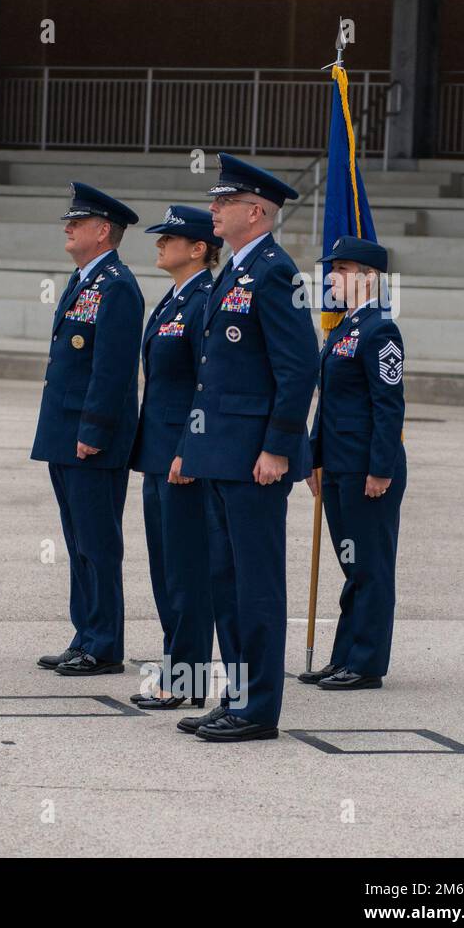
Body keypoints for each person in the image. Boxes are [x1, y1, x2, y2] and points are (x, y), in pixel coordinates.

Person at [175, 154, 319, 743]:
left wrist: (280, 448)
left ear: (254, 212)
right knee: (225, 579)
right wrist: (191, 443)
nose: (212, 209)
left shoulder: (275, 272)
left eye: (222, 202)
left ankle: (258, 708)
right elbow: (211, 373)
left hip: (255, 458)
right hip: (219, 451)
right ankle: (235, 696)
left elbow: (298, 366)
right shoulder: (233, 272)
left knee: (255, 582)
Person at [32, 182, 143, 677]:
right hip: (65, 430)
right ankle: (86, 633)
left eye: (76, 223)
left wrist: (94, 429)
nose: (67, 228)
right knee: (78, 540)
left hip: (91, 437)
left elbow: (113, 369)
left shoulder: (116, 284)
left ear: (103, 231)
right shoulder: (85, 279)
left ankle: (104, 643)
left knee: (97, 541)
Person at [301, 236, 406, 691]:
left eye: (341, 269)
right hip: (340, 467)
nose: (332, 278)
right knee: (352, 565)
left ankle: (365, 663)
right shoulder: (344, 329)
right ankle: (344, 654)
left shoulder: (381, 330)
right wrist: (313, 456)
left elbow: (389, 404)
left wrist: (380, 468)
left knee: (371, 567)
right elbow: (328, 403)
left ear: (368, 277)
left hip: (369, 470)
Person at [128, 206, 222, 709]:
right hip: (157, 454)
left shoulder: (205, 300)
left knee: (187, 573)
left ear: (199, 248)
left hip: (183, 458)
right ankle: (175, 667)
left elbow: (207, 386)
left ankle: (185, 679)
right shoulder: (172, 300)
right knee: (167, 570)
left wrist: (191, 449)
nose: (160, 244)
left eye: (171, 238)